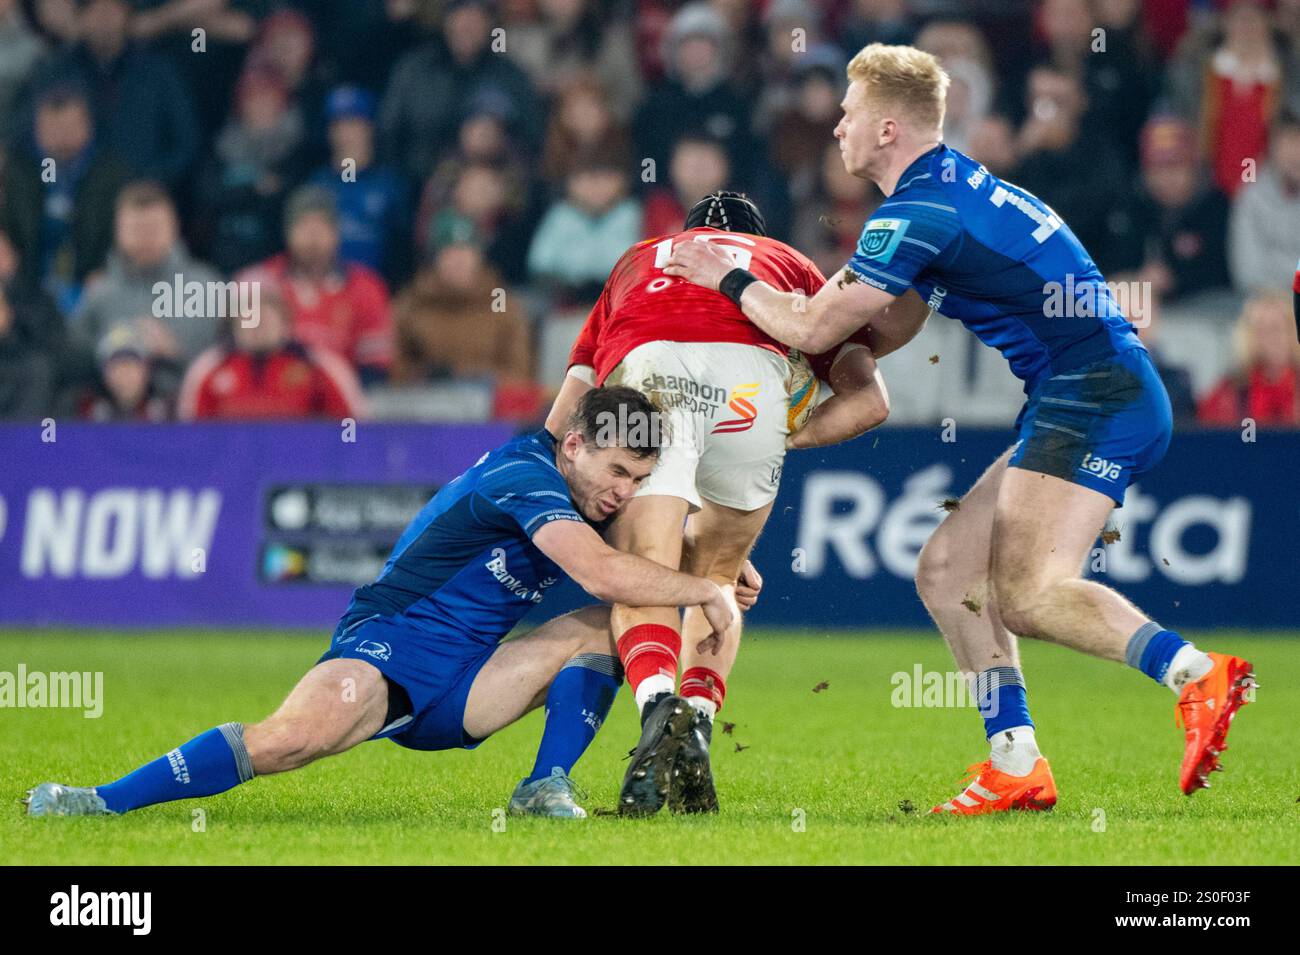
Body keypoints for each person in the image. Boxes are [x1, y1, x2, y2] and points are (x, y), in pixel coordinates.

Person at [665, 43, 1256, 813]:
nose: (836, 125)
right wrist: (814, 360)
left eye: (848, 112)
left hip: (1096, 394)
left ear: (885, 129)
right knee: (947, 572)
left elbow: (813, 326)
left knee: (1030, 593)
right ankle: (1015, 761)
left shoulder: (917, 212)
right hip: (1084, 388)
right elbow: (890, 327)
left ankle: (1195, 674)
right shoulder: (949, 192)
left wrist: (729, 280)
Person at [24, 387, 738, 821]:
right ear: (574, 445)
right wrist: (704, 586)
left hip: (468, 683)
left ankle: (543, 784)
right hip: (391, 644)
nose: (622, 491)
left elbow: (646, 547)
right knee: (287, 741)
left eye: (637, 479)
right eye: (616, 470)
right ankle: (99, 799)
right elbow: (609, 571)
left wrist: (727, 561)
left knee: (602, 633)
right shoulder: (526, 475)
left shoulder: (583, 492)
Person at [546, 191, 892, 815]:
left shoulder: (640, 258)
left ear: (688, 233)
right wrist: (783, 436)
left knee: (643, 574)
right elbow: (871, 402)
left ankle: (658, 706)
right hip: (754, 382)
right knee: (719, 579)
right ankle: (698, 719)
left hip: (652, 360)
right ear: (759, 237)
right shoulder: (789, 262)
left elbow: (567, 405)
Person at [1197, 290, 1300, 428]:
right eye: (1262, 330)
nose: (1271, 338)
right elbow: (1209, 438)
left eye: (1278, 328)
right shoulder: (1229, 392)